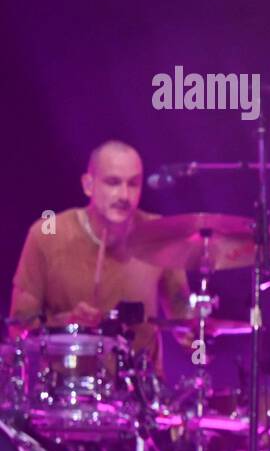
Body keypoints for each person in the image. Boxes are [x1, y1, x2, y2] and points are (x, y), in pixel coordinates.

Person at [10, 139, 192, 358]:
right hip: (66, 385)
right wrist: (65, 324)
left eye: (133, 184)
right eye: (113, 183)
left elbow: (185, 325)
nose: (124, 195)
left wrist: (200, 340)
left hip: (140, 388)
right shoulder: (46, 234)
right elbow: (18, 328)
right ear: (88, 185)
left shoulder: (161, 235)